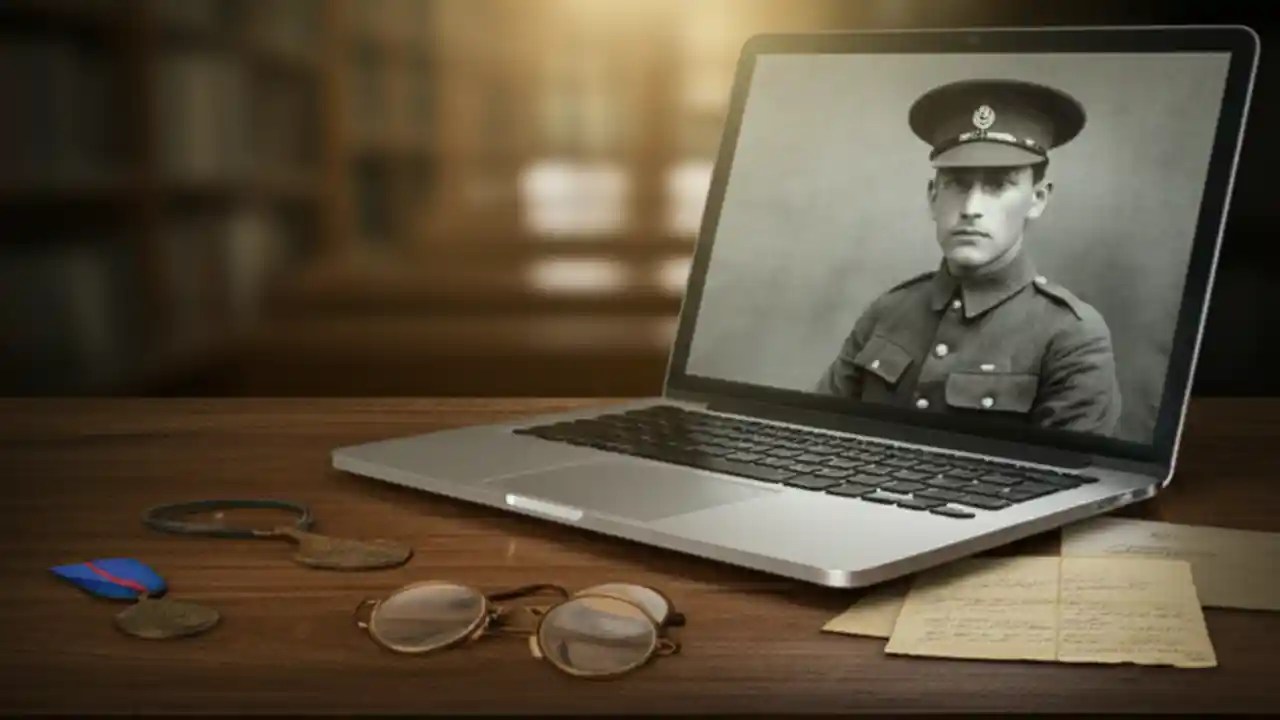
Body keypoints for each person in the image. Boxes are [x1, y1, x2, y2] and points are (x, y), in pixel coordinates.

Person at [814, 78, 1120, 436]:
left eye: (998, 185)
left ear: (1038, 199)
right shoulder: (888, 311)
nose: (972, 208)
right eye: (957, 183)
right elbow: (819, 436)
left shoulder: (1072, 335)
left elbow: (1068, 481)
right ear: (932, 197)